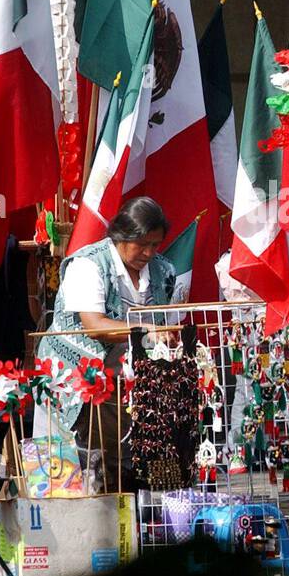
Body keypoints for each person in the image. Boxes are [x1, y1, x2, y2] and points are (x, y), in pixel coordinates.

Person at [37, 197, 180, 488]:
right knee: (81, 462)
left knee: (131, 453)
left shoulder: (162, 270)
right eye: (142, 244)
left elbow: (164, 321)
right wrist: (145, 329)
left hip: (125, 376)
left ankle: (135, 507)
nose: (148, 252)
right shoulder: (88, 264)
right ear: (121, 236)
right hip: (78, 373)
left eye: (155, 245)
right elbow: (94, 325)